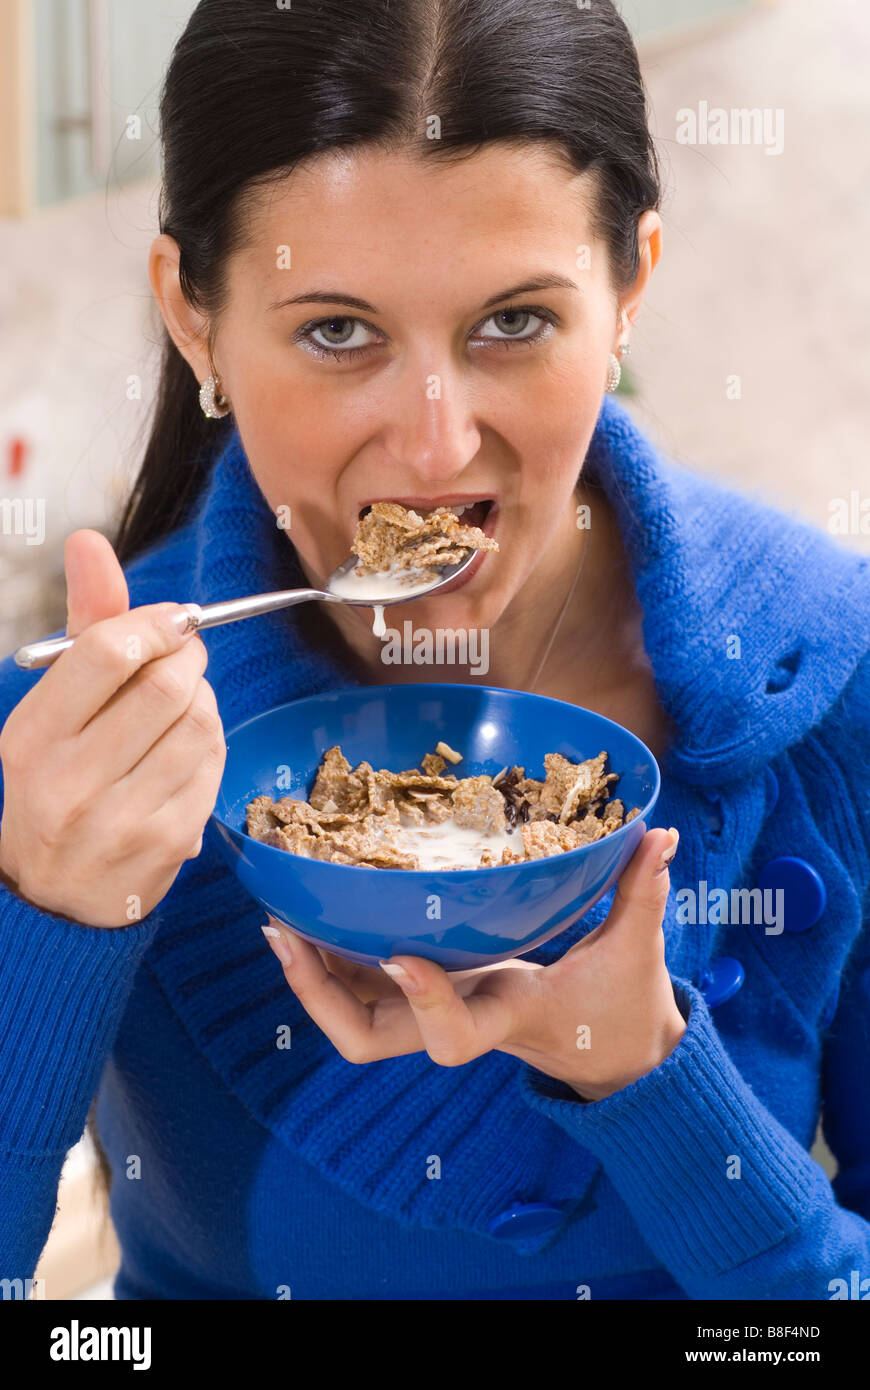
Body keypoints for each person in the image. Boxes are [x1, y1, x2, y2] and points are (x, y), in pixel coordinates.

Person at [0, 0, 867, 1301]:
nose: (432, 448)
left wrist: (645, 1080)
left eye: (512, 321)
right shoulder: (69, 746)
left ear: (627, 282)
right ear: (194, 316)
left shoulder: (828, 673)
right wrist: (47, 927)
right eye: (336, 332)